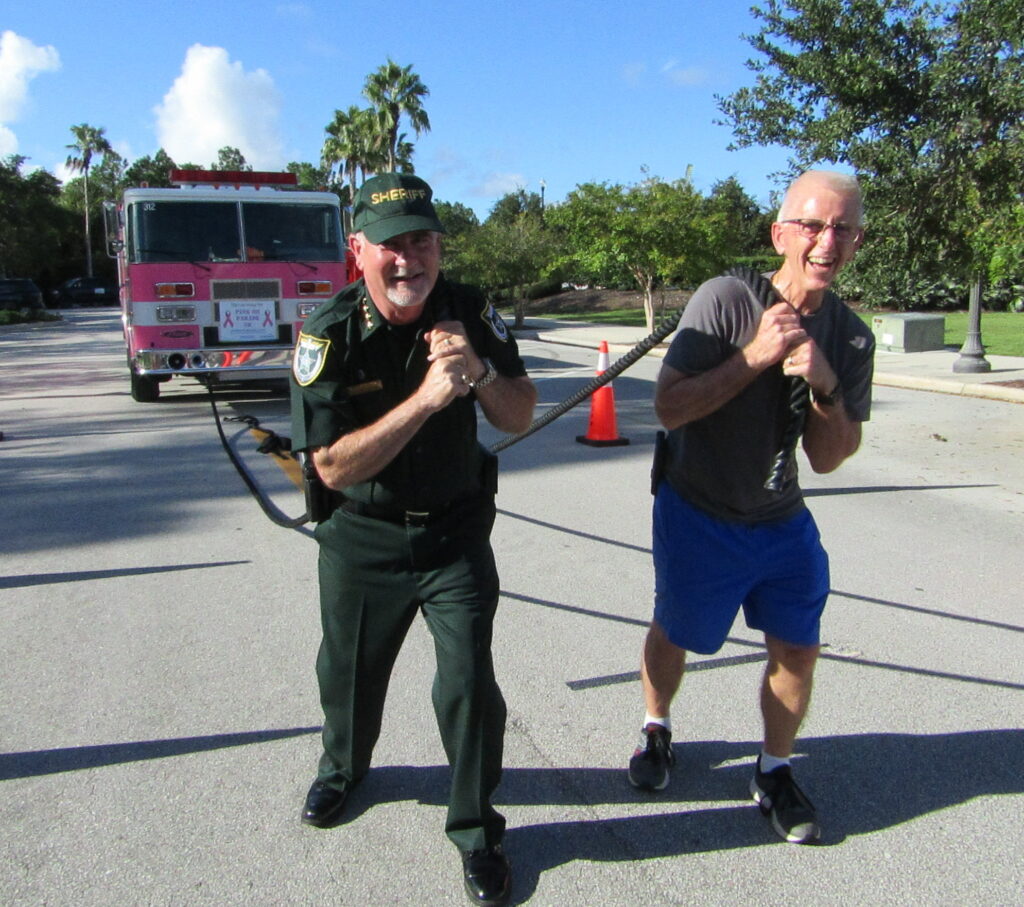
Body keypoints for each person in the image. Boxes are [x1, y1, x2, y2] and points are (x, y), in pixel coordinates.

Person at [290, 172, 537, 905]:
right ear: (357, 247)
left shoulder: (469, 310)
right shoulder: (327, 333)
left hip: (454, 535)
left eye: (422, 240)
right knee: (350, 675)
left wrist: (480, 370)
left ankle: (476, 830)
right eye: (391, 244)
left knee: (468, 683)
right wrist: (431, 399)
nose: (409, 259)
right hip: (362, 538)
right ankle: (344, 766)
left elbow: (519, 413)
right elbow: (331, 465)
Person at [628, 170, 875, 844]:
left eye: (844, 228)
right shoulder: (725, 299)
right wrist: (756, 356)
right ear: (780, 234)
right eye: (813, 225)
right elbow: (670, 405)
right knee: (677, 630)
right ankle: (657, 727)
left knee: (798, 646)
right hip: (699, 508)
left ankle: (774, 768)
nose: (828, 241)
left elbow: (829, 455)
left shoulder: (850, 338)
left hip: (779, 519)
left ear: (858, 240)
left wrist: (825, 385)